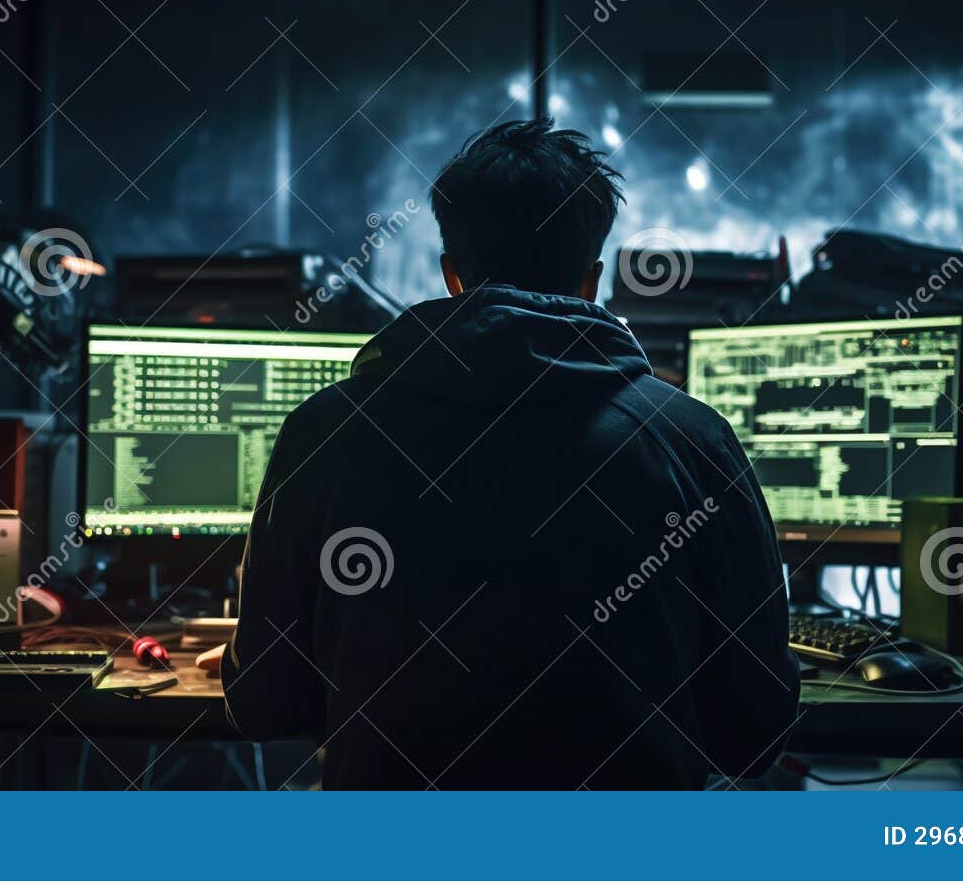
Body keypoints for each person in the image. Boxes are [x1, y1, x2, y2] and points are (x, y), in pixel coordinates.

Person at [222, 118, 798, 789]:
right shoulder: (692, 441)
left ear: (451, 277)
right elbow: (753, 733)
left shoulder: (323, 432)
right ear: (592, 280)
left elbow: (262, 704)